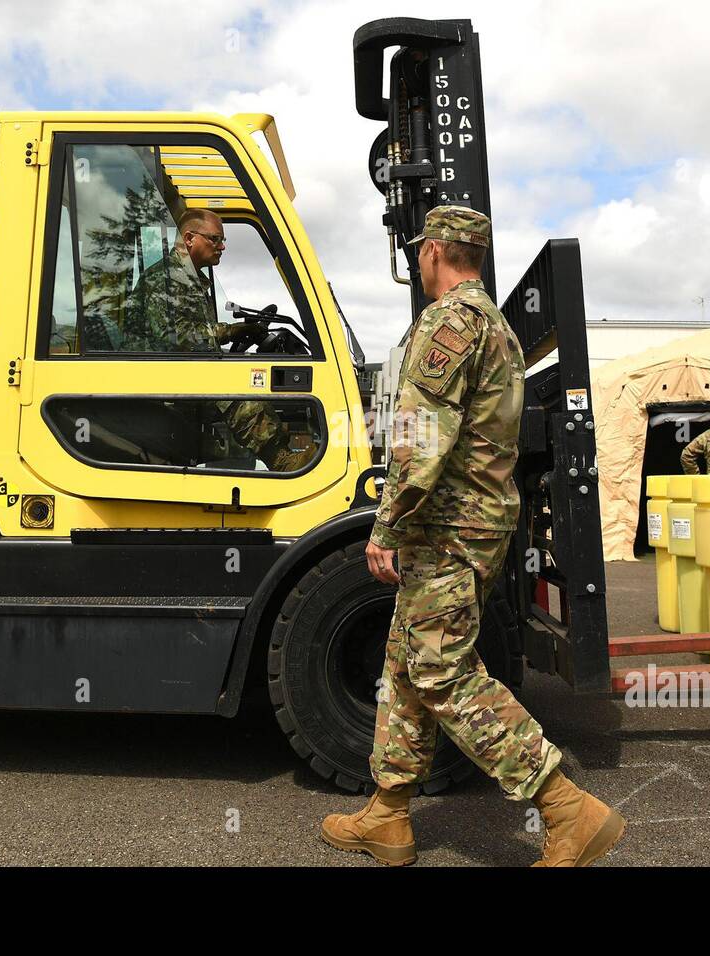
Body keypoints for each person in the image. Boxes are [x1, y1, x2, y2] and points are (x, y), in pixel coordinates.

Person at [320, 206, 625, 868]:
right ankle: (389, 814)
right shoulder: (496, 326)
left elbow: (421, 437)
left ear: (435, 251)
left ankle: (565, 808)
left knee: (440, 670)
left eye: (419, 251)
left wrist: (387, 523)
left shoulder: (450, 322)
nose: (417, 260)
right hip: (468, 527)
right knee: (404, 661)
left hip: (446, 531)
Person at [151, 208, 315, 472]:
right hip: (163, 380)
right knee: (237, 395)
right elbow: (178, 337)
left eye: (222, 240)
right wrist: (231, 332)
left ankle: (285, 453)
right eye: (215, 239)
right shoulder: (164, 280)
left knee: (256, 381)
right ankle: (282, 461)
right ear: (190, 238)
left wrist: (238, 334)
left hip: (183, 372)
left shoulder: (188, 280)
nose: (222, 246)